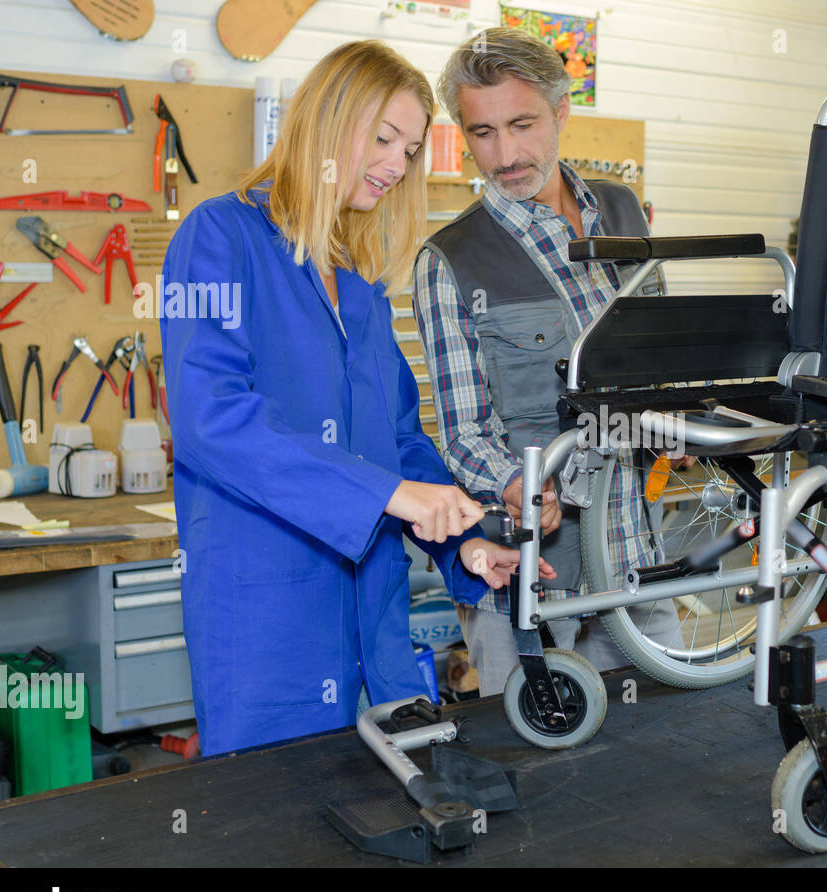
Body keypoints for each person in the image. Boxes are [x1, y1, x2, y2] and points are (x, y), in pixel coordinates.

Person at [161, 40, 553, 755]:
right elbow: (209, 420)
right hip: (269, 629)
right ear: (325, 120)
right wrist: (389, 495)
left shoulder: (360, 285)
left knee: (402, 814)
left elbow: (399, 439)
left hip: (377, 622)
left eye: (409, 150)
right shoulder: (219, 237)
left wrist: (464, 542)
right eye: (382, 138)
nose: (395, 165)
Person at [414, 27, 682, 696]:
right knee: (533, 770)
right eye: (482, 133)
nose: (504, 154)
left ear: (561, 112)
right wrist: (514, 481)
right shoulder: (449, 261)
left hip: (638, 553)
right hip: (527, 574)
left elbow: (657, 355)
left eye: (523, 124)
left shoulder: (621, 211)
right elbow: (463, 433)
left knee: (675, 748)